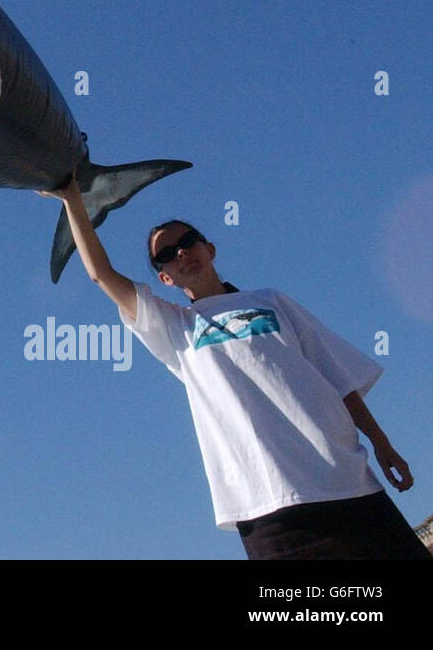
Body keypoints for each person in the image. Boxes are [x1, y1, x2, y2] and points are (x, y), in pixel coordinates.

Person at [40, 171, 428, 560]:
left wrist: (381, 442)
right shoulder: (175, 328)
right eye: (166, 255)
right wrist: (72, 200)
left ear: (210, 248)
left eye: (187, 242)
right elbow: (100, 275)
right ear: (165, 277)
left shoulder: (272, 302)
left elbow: (338, 378)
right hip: (266, 505)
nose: (180, 253)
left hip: (346, 481)